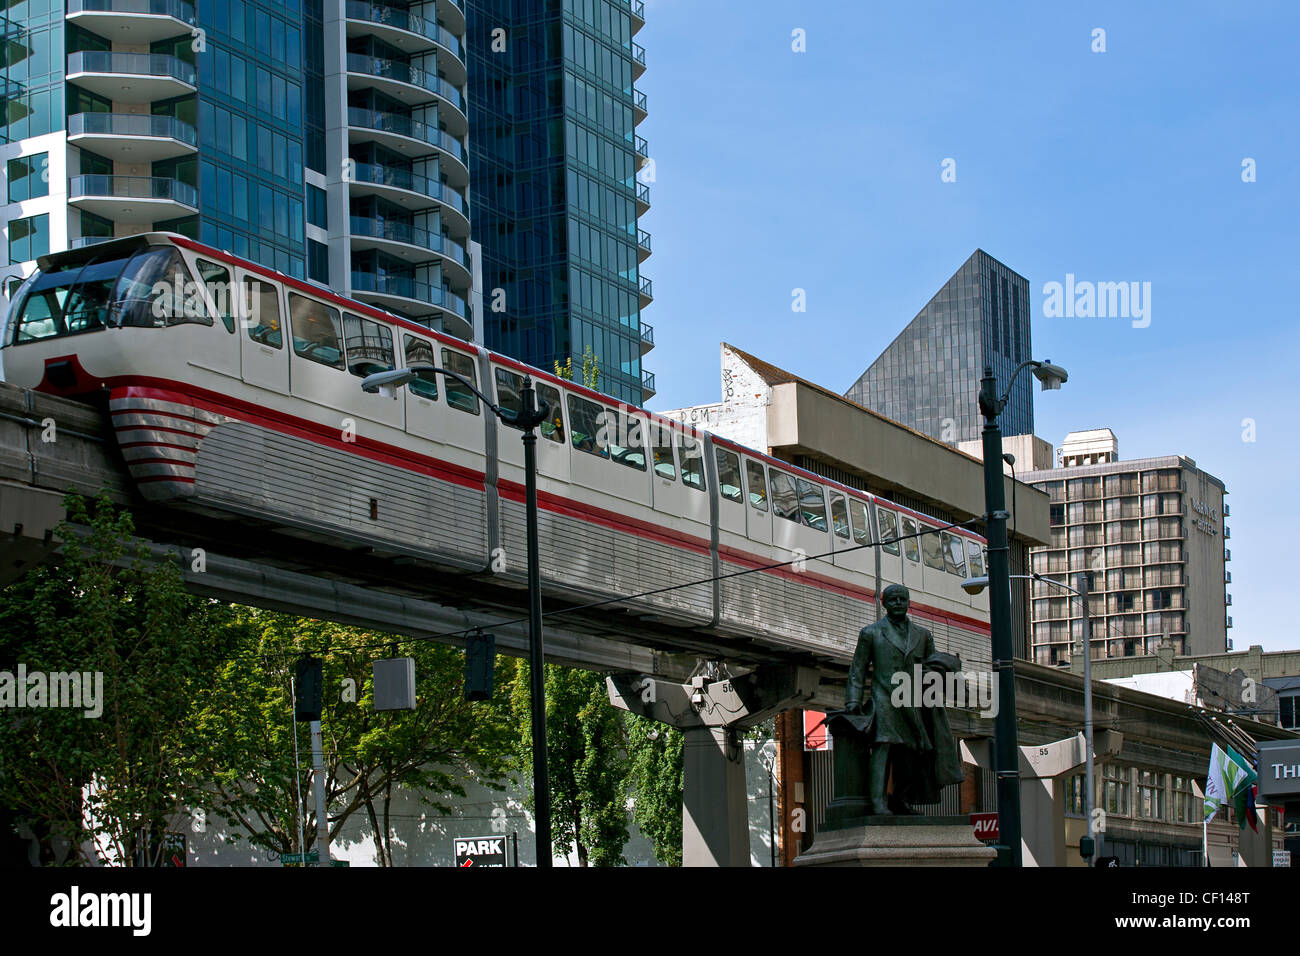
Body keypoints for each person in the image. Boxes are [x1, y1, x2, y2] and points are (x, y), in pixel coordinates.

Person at [843, 583, 964, 815]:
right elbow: (857, 670)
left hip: (913, 702)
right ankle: (878, 802)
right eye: (892, 599)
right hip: (884, 698)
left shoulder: (923, 635)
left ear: (909, 603)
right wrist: (853, 702)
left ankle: (902, 799)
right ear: (884, 603)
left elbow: (931, 667)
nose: (898, 603)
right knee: (883, 747)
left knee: (911, 752)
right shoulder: (871, 633)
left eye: (902, 599)